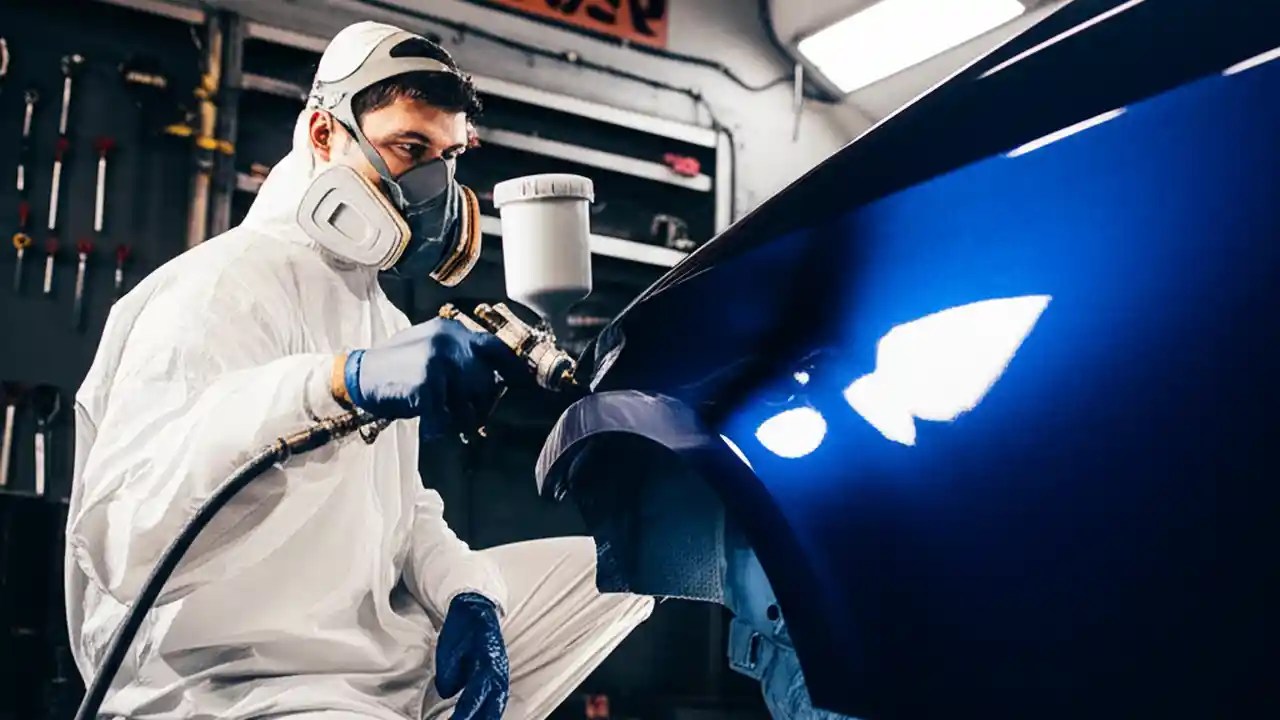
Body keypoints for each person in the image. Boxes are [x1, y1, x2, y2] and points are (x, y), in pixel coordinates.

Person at [65, 21, 653, 720]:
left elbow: (401, 510)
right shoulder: (216, 288)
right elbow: (122, 542)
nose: (435, 187)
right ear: (324, 135)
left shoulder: (380, 317)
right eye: (410, 149)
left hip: (366, 653)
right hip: (233, 683)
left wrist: (466, 593)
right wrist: (337, 383)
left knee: (630, 568)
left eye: (448, 156)